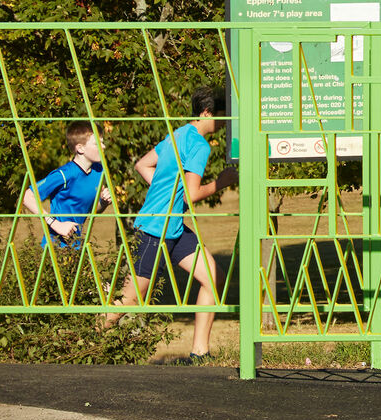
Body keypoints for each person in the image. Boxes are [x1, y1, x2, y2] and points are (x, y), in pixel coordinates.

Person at [103, 86, 235, 363]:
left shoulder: (178, 134)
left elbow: (142, 165)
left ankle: (200, 353)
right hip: (154, 229)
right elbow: (192, 194)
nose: (225, 123)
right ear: (207, 112)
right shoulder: (199, 145)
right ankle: (87, 342)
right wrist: (222, 182)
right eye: (222, 116)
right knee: (130, 300)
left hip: (172, 226)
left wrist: (166, 194)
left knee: (213, 277)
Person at [21, 121, 113, 253]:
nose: (103, 147)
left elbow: (91, 209)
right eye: (97, 143)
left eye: (103, 142)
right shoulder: (64, 174)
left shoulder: (99, 171)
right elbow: (27, 196)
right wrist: (56, 224)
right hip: (55, 248)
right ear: (80, 148)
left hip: (77, 248)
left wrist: (103, 203)